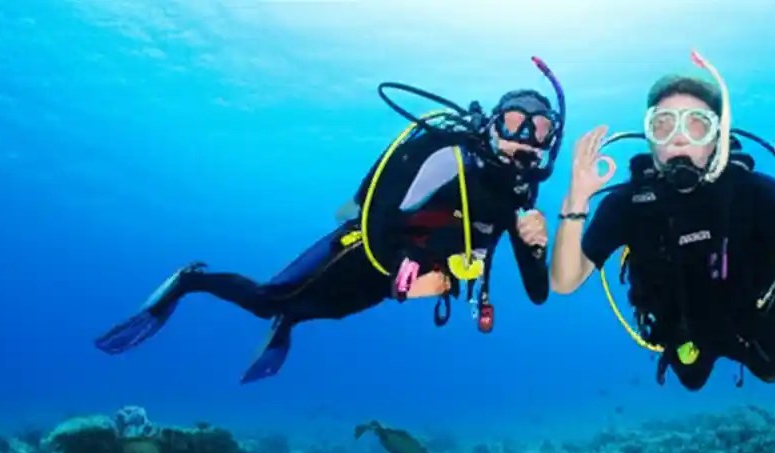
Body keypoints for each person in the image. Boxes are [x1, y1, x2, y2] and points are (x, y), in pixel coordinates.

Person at [95, 59, 568, 383]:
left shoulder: (520, 193)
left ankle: (289, 323)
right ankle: (189, 281)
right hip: (358, 251)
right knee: (266, 299)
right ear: (493, 126)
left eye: (540, 129)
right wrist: (409, 278)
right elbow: (380, 220)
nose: (525, 137)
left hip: (398, 280)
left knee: (326, 312)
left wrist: (535, 247)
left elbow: (537, 293)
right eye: (514, 122)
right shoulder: (449, 156)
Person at [548, 53, 775, 390]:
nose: (678, 137)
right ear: (650, 137)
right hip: (683, 333)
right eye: (663, 124)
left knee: (773, 371)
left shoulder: (754, 191)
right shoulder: (627, 205)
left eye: (696, 124)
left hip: (752, 321)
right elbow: (564, 282)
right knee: (692, 379)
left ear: (717, 136)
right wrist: (576, 201)